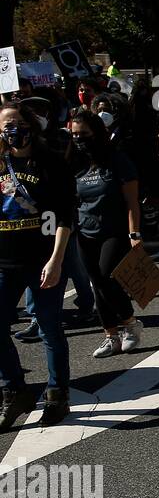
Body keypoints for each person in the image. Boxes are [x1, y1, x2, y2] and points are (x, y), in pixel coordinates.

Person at [0, 101, 75, 429]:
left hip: (43, 260)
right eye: (5, 125)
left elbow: (64, 217)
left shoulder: (51, 163)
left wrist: (56, 260)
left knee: (49, 328)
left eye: (17, 122)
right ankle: (14, 389)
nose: (12, 130)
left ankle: (57, 395)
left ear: (31, 125)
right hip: (5, 262)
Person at [66, 110, 146, 358]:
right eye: (75, 135)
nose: (79, 139)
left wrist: (135, 234)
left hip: (114, 231)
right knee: (96, 284)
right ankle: (111, 335)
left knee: (105, 276)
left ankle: (131, 323)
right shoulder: (75, 161)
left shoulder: (117, 159)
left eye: (84, 134)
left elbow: (132, 202)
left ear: (98, 133)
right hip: (84, 232)